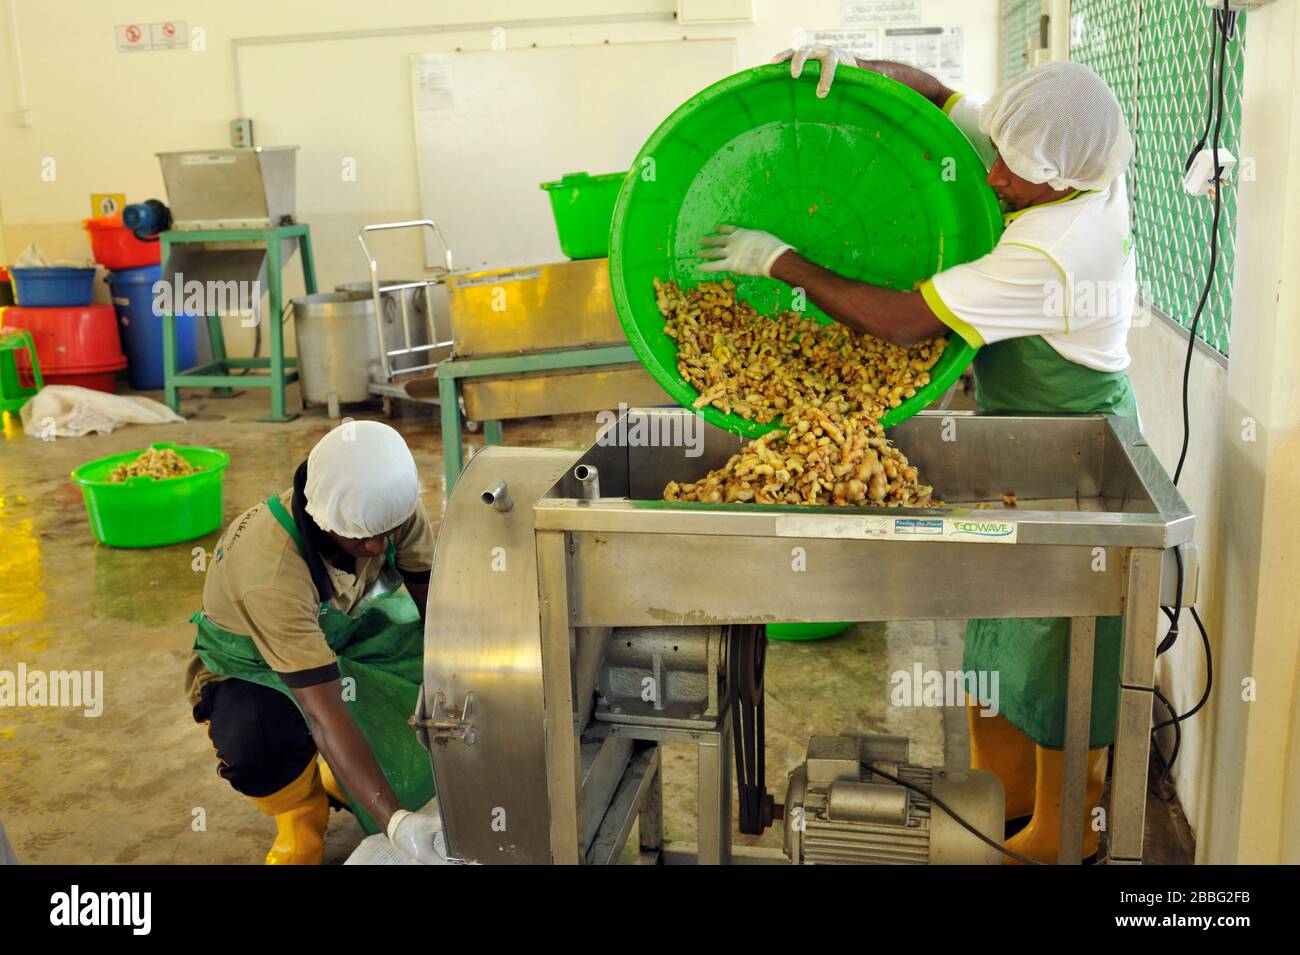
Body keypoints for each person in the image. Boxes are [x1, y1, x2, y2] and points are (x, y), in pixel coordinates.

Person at [700, 47, 1138, 863]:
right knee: (999, 631)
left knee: (1054, 647)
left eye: (1013, 171)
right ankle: (1002, 795)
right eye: (1001, 155)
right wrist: (849, 65)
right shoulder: (1061, 153)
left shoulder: (1059, 246)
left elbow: (905, 323)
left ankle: (1062, 828)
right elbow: (937, 96)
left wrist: (780, 259)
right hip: (1016, 430)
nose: (995, 176)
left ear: (1058, 178)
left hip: (1069, 441)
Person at [184, 420, 451, 864]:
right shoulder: (269, 575)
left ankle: (342, 776)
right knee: (259, 739)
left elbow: (438, 611)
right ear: (323, 521)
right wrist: (396, 823)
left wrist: (450, 674)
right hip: (254, 663)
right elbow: (322, 710)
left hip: (342, 631)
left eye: (386, 532)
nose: (377, 545)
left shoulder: (386, 510)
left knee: (429, 661)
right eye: (364, 538)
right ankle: (300, 813)